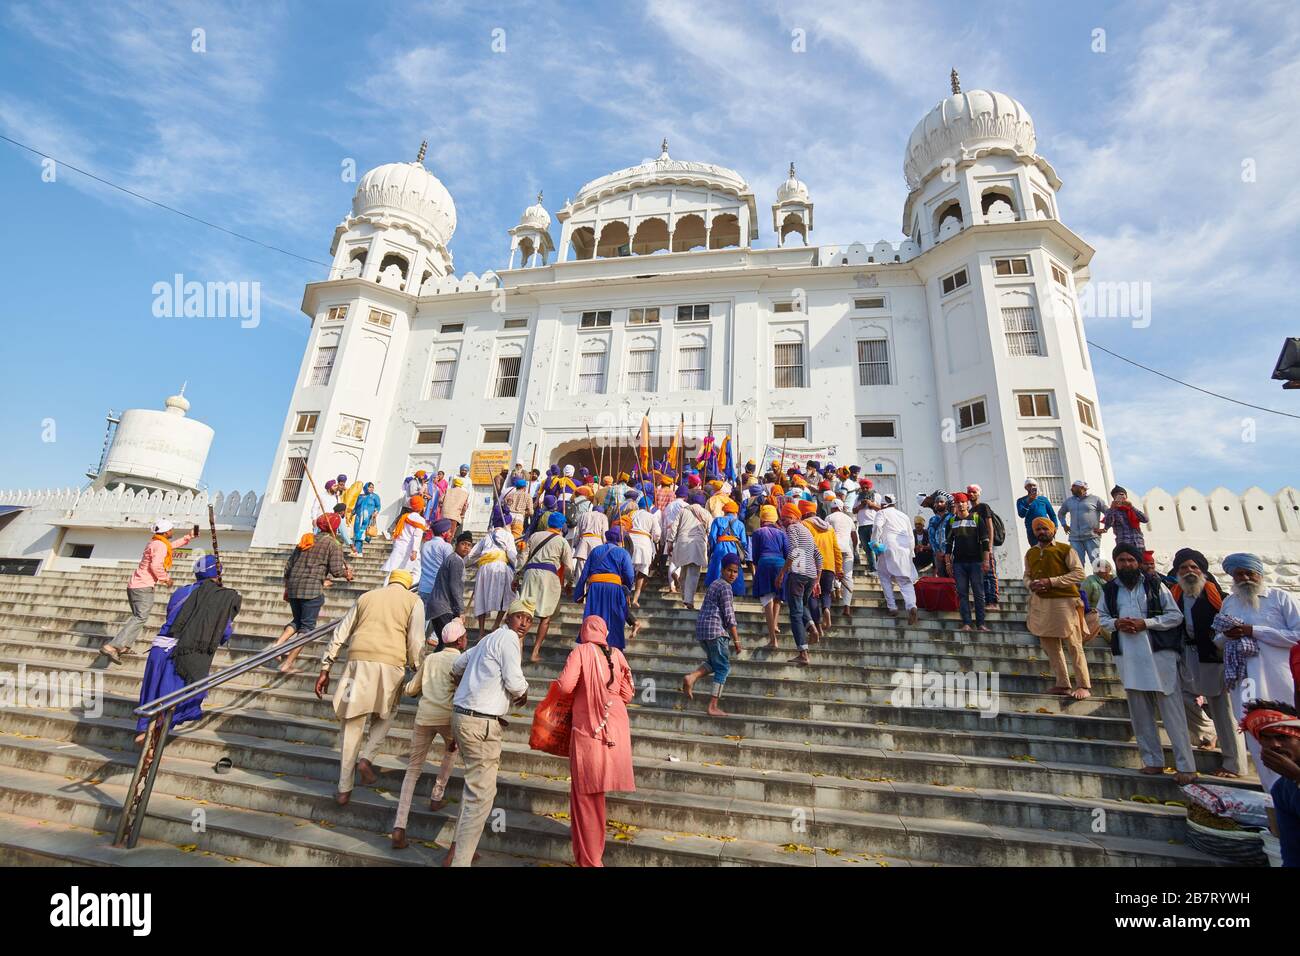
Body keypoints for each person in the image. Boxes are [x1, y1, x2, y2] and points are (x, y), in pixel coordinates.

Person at [315, 569, 425, 805]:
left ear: (389, 582)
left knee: (352, 723)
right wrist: (417, 667)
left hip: (357, 663)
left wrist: (326, 666)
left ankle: (344, 788)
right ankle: (366, 758)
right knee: (386, 714)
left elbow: (341, 631)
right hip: (390, 664)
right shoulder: (414, 601)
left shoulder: (366, 597)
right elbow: (415, 640)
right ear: (407, 585)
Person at [1099, 543, 1197, 784]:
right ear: (1116, 563)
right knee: (1140, 714)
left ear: (1138, 562)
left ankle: (1186, 765)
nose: (1126, 565)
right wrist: (1117, 624)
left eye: (1130, 560)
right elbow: (1102, 617)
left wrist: (1147, 623)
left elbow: (1175, 616)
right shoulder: (1111, 589)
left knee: (1172, 714)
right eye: (1121, 561)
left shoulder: (1154, 585)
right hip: (1129, 658)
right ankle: (1152, 761)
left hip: (1159, 656)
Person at [446, 597, 533, 866]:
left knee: (474, 788)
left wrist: (473, 683)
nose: (525, 624)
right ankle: (460, 860)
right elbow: (516, 682)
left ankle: (457, 851)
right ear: (509, 617)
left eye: (529, 620)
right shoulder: (507, 640)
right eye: (521, 617)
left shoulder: (487, 639)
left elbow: (456, 666)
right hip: (481, 723)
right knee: (481, 796)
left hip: (462, 716)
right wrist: (524, 693)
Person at [1215, 552, 1300, 793]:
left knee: (1286, 732)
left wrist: (1255, 631)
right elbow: (1219, 641)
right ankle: (1272, 793)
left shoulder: (1280, 598)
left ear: (1259, 574)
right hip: (1244, 680)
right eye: (1238, 574)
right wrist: (1227, 635)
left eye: (1248, 573)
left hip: (1280, 678)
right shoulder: (1229, 602)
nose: (1244, 578)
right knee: (1255, 734)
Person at [133, 555, 240, 744]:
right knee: (173, 703)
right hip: (182, 656)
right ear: (218, 574)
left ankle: (148, 741)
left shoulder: (180, 592)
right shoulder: (219, 598)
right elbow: (223, 632)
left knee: (153, 700)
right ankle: (150, 740)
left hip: (159, 648)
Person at [556, 615, 636, 867]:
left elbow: (566, 686)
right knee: (595, 795)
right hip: (616, 730)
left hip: (589, 730)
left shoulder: (580, 651)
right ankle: (589, 858)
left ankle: (591, 861)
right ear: (605, 631)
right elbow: (628, 693)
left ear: (584, 631)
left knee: (585, 798)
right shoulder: (617, 654)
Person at [392, 617, 466, 849]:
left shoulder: (432, 658)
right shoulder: (463, 661)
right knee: (450, 752)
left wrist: (405, 687)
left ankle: (399, 826)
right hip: (448, 719)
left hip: (424, 716)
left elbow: (412, 689)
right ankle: (437, 795)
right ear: (462, 640)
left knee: (412, 770)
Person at [1169, 548, 1244, 777]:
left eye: (1194, 567)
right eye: (1184, 568)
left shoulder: (1215, 595)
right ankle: (1207, 733)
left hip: (1213, 656)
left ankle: (1234, 763)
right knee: (1182, 696)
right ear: (1177, 572)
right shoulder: (1176, 595)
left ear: (1202, 571)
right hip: (1187, 654)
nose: (1189, 572)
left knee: (1223, 709)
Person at [101, 520, 199, 665]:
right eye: (171, 529)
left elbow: (170, 547)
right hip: (143, 586)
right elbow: (155, 565)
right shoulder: (159, 545)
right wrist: (166, 579)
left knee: (139, 616)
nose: (172, 531)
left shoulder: (157, 543)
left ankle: (123, 647)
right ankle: (112, 646)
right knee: (140, 617)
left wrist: (188, 537)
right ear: (166, 532)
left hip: (136, 585)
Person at [274, 514, 352, 674]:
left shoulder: (307, 539)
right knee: (307, 628)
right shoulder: (333, 544)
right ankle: (286, 664)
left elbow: (289, 566)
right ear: (335, 528)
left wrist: (287, 587)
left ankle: (278, 644)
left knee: (297, 620)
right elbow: (336, 571)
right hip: (311, 589)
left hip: (294, 586)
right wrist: (347, 573)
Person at [1023, 517, 1091, 699]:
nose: (1041, 532)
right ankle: (1062, 683)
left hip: (1065, 601)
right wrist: (1031, 584)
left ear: (1053, 531)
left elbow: (1079, 573)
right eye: (1038, 530)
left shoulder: (1065, 549)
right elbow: (1026, 575)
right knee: (1050, 645)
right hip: (1041, 603)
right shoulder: (1031, 553)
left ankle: (1083, 684)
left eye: (1045, 529)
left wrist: (1052, 582)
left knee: (1074, 644)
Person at [1240, 700, 1300, 867]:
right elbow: (1292, 850)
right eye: (1266, 738)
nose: (1274, 745)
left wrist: (1298, 777)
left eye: (1283, 737)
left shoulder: (1291, 779)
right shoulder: (1281, 788)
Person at [684, 553, 743, 716]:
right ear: (723, 570)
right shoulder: (725, 586)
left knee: (714, 662)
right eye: (729, 570)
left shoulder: (715, 583)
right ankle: (712, 706)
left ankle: (692, 677)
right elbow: (729, 616)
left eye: (735, 571)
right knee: (723, 668)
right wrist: (737, 640)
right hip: (716, 631)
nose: (732, 574)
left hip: (703, 630)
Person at [520, 512, 576, 663]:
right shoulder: (562, 542)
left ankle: (518, 651)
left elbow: (523, 556)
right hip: (549, 576)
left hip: (530, 574)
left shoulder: (535, 536)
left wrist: (516, 575)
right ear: (562, 526)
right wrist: (569, 583)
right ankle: (534, 652)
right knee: (545, 617)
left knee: (525, 613)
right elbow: (569, 567)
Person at [573, 527, 637, 651]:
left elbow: (584, 573)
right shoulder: (623, 553)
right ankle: (613, 649)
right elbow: (629, 575)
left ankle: (591, 647)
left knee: (594, 616)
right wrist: (627, 589)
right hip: (614, 589)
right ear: (620, 539)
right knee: (614, 618)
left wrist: (579, 594)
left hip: (595, 589)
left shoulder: (596, 550)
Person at [777, 503, 821, 666]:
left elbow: (794, 551)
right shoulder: (807, 531)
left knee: (795, 613)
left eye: (786, 518)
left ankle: (803, 653)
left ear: (795, 517)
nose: (784, 522)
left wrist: (782, 572)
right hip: (810, 575)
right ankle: (812, 627)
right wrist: (816, 579)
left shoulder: (793, 529)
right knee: (801, 606)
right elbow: (819, 556)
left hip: (798, 574)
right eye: (781, 520)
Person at [467, 507, 517, 640]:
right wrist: (517, 567)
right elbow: (512, 555)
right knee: (508, 596)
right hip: (501, 566)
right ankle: (496, 624)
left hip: (484, 568)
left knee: (481, 597)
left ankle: (481, 631)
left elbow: (471, 554)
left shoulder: (486, 537)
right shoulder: (508, 535)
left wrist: (467, 563)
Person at [945, 493, 990, 632]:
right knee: (962, 594)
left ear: (967, 504)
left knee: (978, 593)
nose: (960, 504)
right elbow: (948, 544)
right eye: (957, 502)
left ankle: (981, 623)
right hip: (959, 563)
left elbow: (985, 542)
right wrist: (948, 563)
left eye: (962, 502)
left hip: (976, 562)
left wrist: (986, 560)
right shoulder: (951, 522)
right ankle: (966, 623)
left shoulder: (977, 518)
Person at [872, 495, 918, 624]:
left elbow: (877, 527)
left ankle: (892, 607)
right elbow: (911, 536)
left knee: (884, 576)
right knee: (905, 581)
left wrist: (874, 542)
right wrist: (911, 553)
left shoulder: (881, 513)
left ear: (882, 505)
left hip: (888, 548)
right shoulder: (904, 516)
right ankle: (911, 606)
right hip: (905, 549)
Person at [750, 504, 788, 647]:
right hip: (780, 563)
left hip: (764, 563)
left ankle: (773, 639)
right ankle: (776, 624)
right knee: (777, 598)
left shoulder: (758, 533)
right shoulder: (781, 533)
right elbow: (787, 552)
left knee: (767, 601)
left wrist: (757, 566)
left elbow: (754, 556)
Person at [426, 531, 473, 641]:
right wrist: (461, 610)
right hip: (444, 607)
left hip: (438, 605)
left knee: (443, 643)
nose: (466, 547)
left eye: (469, 545)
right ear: (456, 545)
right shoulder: (456, 560)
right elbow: (455, 587)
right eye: (463, 544)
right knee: (449, 642)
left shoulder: (454, 559)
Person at [668, 493, 712, 610]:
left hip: (682, 543)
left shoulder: (683, 511)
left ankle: (685, 598)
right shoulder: (706, 513)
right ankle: (688, 600)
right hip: (698, 544)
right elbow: (710, 530)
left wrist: (670, 542)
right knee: (693, 574)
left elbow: (674, 527)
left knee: (683, 575)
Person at [965, 484, 1004, 610]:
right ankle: (984, 601)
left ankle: (992, 601)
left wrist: (990, 546)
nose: (971, 494)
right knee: (980, 575)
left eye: (974, 492)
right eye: (969, 492)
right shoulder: (969, 512)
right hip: (975, 547)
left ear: (978, 493)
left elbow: (990, 526)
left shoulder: (984, 507)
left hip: (986, 545)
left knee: (990, 573)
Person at [1058, 479, 1107, 572]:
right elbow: (1061, 513)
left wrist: (1105, 528)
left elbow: (1108, 513)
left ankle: (1102, 583)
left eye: (1074, 487)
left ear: (1082, 488)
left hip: (1091, 537)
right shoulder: (1069, 501)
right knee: (1077, 563)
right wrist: (1064, 525)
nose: (1071, 489)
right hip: (1075, 538)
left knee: (1096, 561)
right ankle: (1080, 585)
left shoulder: (1095, 499)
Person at [417, 517, 455, 632]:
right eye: (449, 531)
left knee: (422, 616)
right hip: (437, 587)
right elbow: (450, 566)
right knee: (443, 613)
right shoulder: (446, 546)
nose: (451, 533)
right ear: (444, 533)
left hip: (423, 585)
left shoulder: (425, 545)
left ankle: (419, 637)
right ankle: (433, 637)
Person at [705, 500, 748, 596]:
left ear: (724, 511)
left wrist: (712, 549)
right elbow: (744, 542)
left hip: (720, 547)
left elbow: (712, 537)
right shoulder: (740, 524)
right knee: (735, 569)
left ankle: (716, 591)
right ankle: (736, 592)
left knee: (718, 568)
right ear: (735, 512)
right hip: (734, 549)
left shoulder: (717, 520)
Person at [826, 498, 857, 621]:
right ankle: (847, 606)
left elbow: (825, 533)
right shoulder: (849, 519)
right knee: (848, 577)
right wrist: (854, 549)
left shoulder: (829, 518)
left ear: (832, 508)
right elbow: (854, 538)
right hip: (847, 550)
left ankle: (835, 590)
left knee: (832, 572)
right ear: (842, 507)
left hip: (834, 549)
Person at [627, 498, 661, 608]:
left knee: (628, 570)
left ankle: (626, 597)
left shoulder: (630, 514)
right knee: (642, 572)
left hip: (630, 542)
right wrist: (656, 540)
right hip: (644, 543)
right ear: (649, 506)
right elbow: (657, 534)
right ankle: (635, 599)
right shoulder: (651, 516)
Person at [571, 495, 610, 582]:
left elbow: (578, 532)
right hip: (597, 543)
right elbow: (604, 534)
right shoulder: (603, 517)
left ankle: (579, 591)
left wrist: (576, 544)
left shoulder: (584, 515)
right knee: (595, 568)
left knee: (580, 569)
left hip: (583, 542)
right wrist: (605, 546)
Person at [1102, 486, 1148, 552]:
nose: (1121, 496)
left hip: (1139, 544)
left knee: (1141, 562)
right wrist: (1112, 508)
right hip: (1124, 545)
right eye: (1117, 495)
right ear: (1114, 498)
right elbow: (1107, 524)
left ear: (1126, 497)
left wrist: (1131, 507)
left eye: (1122, 494)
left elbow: (1145, 519)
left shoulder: (1132, 509)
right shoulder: (1112, 511)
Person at [1016, 479, 1057, 545]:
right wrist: (1028, 502)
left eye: (1034, 485)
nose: (1032, 487)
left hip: (1046, 528)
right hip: (1032, 529)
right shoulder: (1021, 500)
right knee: (1036, 549)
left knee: (1050, 548)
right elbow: (1021, 515)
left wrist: (1055, 527)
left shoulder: (1043, 499)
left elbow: (1052, 515)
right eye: (1029, 485)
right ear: (1026, 488)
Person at [351, 482, 381, 556]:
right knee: (357, 532)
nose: (371, 488)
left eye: (372, 487)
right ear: (365, 487)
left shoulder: (375, 496)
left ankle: (356, 551)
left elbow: (378, 506)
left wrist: (376, 512)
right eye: (369, 487)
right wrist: (351, 513)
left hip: (367, 518)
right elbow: (356, 506)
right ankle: (359, 552)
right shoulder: (360, 496)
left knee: (360, 533)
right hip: (358, 517)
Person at [502, 477, 534, 544]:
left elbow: (505, 506)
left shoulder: (510, 495)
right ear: (524, 487)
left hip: (508, 517)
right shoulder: (528, 496)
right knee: (515, 539)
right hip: (519, 517)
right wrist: (525, 513)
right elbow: (531, 512)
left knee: (505, 538)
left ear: (516, 487)